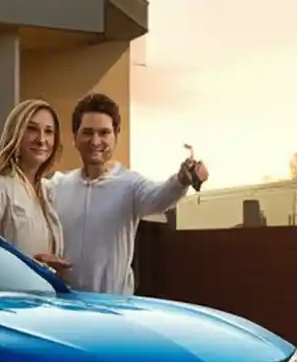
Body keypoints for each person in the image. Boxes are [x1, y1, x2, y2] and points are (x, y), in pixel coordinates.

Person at [48, 92, 208, 296]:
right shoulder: (57, 185)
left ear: (115, 136)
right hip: (65, 307)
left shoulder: (130, 185)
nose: (95, 141)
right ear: (75, 138)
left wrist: (181, 179)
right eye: (88, 132)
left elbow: (160, 197)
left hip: (115, 310)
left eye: (104, 133)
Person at [0, 99, 73, 275]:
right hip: (8, 299)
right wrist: (32, 264)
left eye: (48, 132)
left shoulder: (48, 191)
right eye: (32, 129)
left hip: (45, 298)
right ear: (15, 134)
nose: (41, 140)